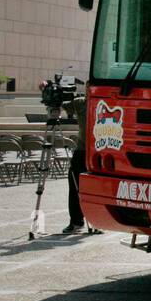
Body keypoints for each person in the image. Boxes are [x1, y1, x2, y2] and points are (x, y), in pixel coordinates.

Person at [60, 94, 101, 234]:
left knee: (95, 188)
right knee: (75, 186)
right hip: (86, 150)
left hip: (97, 150)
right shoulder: (80, 102)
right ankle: (77, 222)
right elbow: (63, 105)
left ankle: (95, 221)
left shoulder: (100, 102)